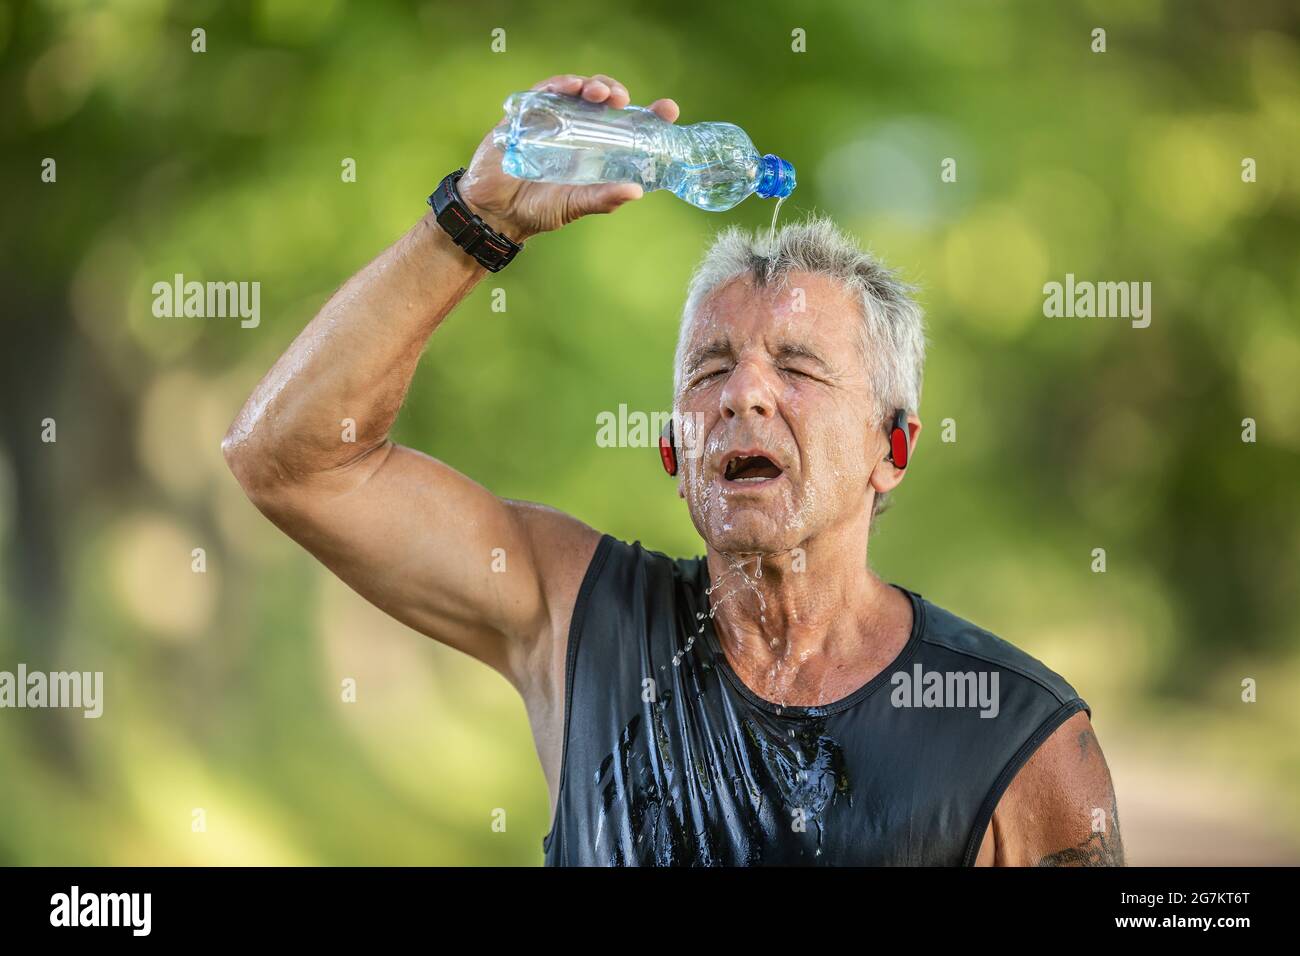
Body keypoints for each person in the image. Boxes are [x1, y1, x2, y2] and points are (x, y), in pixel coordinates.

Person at [223, 72, 1123, 866]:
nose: (744, 396)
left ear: (892, 450)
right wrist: (474, 222)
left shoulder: (1018, 735)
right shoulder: (575, 615)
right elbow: (290, 458)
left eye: (799, 368)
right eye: (709, 369)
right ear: (674, 452)